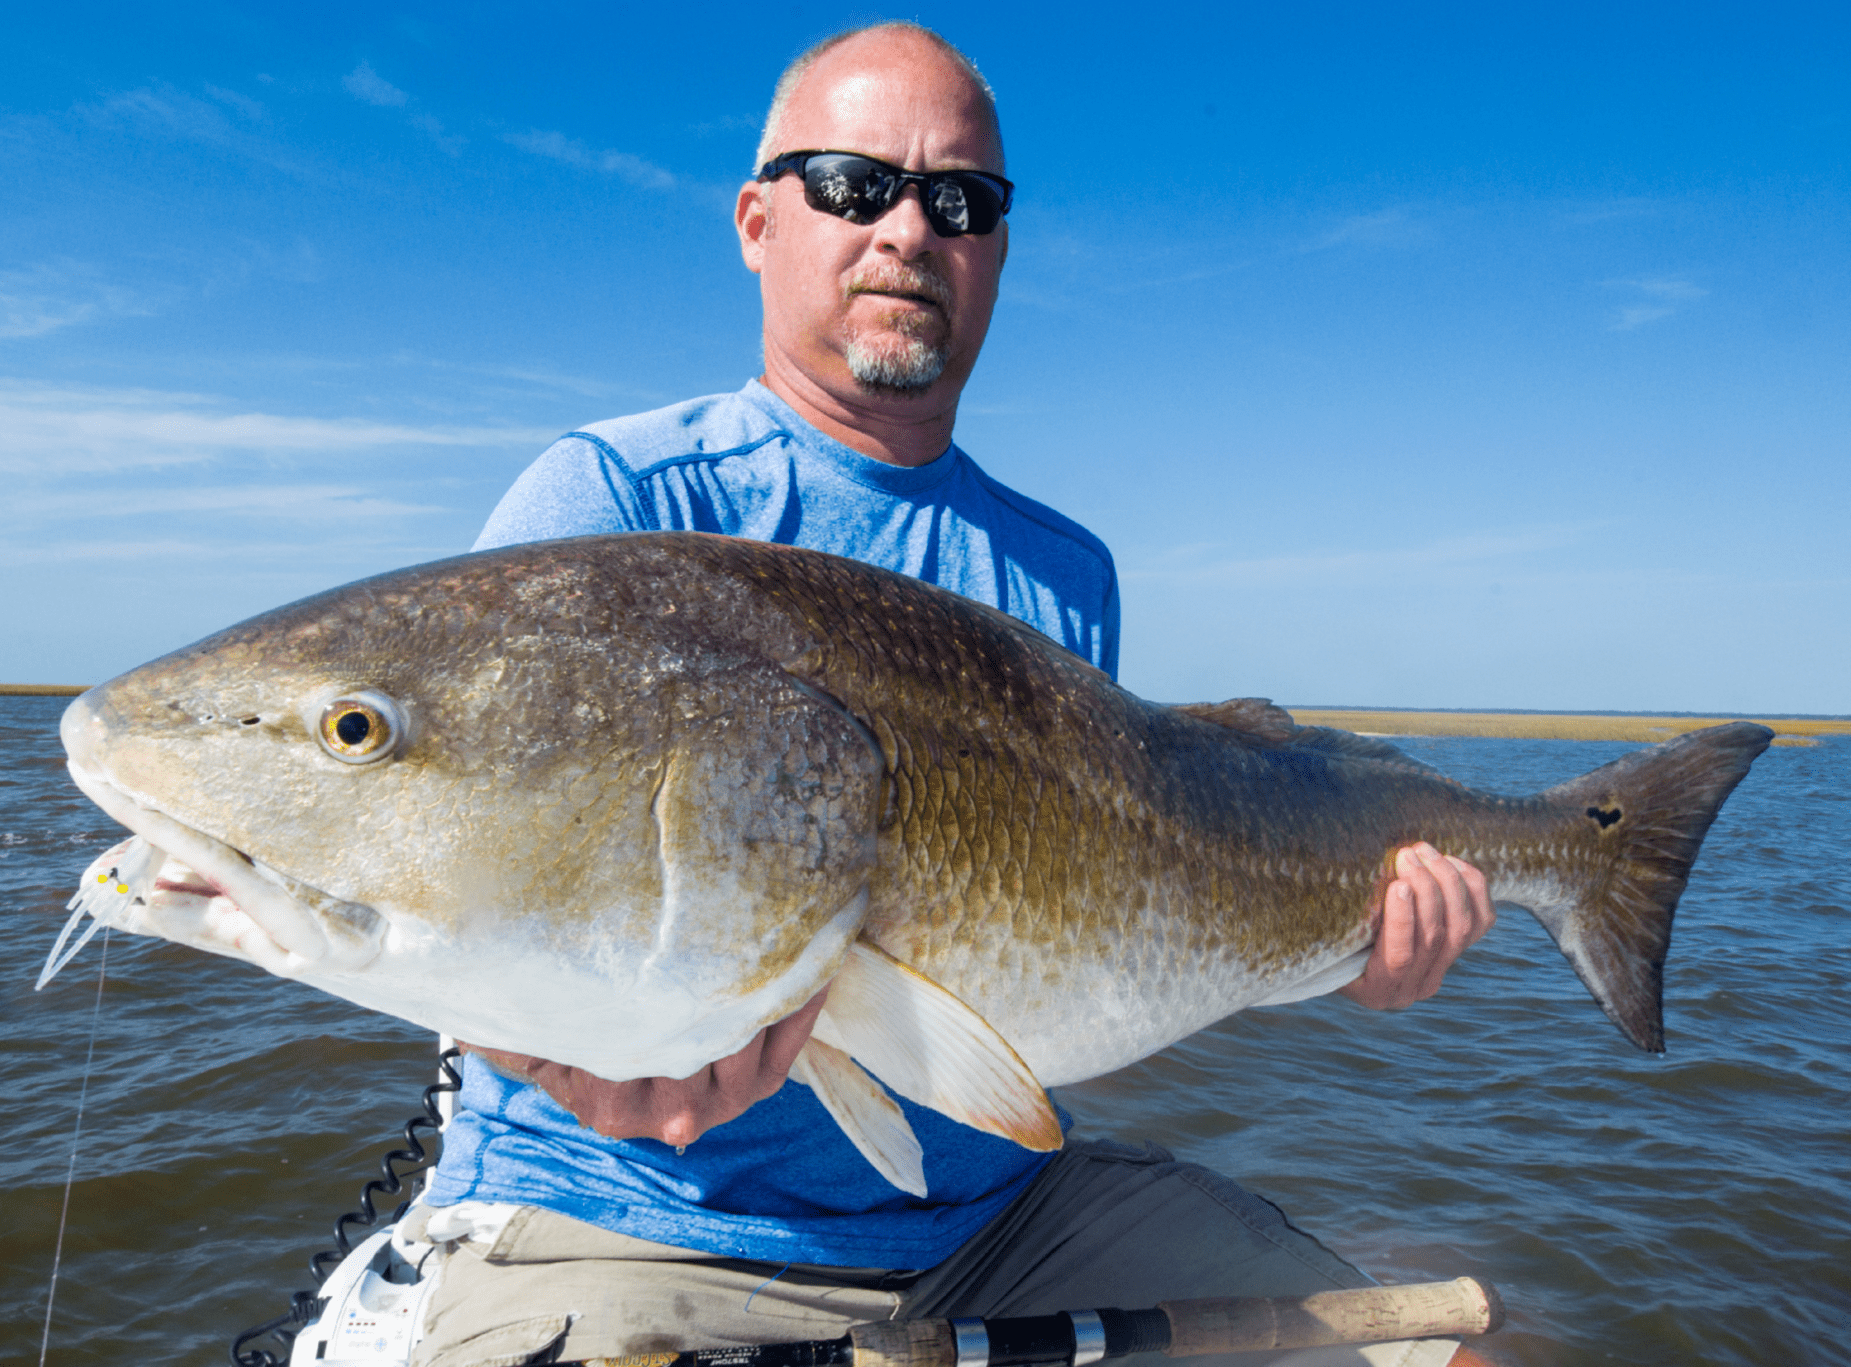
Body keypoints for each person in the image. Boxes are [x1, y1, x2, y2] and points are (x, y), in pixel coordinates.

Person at [405, 23, 1495, 1367]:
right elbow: (458, 884)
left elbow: (1102, 917)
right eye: (856, 184)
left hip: (1000, 1224)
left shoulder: (1061, 568)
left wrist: (1349, 946)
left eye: (960, 201)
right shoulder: (615, 503)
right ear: (757, 220)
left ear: (996, 249)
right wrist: (573, 1068)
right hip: (622, 1224)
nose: (909, 230)